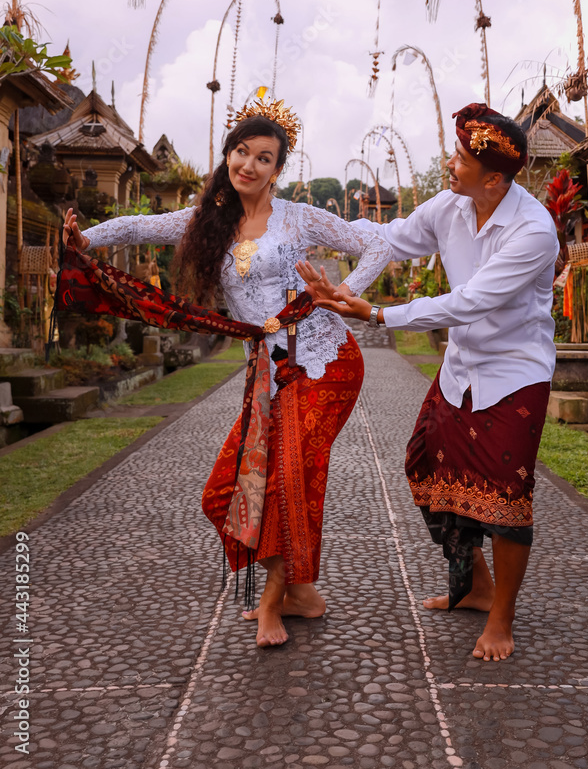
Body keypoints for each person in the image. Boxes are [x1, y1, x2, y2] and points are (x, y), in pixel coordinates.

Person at [63, 88, 392, 649]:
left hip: (325, 364)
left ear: (277, 170)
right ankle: (302, 591)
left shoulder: (298, 219)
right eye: (242, 152)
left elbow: (376, 245)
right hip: (267, 373)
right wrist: (83, 238)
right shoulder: (208, 221)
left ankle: (273, 603)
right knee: (225, 488)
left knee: (289, 478)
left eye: (264, 158)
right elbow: (137, 227)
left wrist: (340, 296)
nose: (249, 165)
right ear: (229, 154)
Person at [306, 102, 559, 662]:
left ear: (493, 179)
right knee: (424, 464)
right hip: (461, 369)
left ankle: (501, 618)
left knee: (507, 501)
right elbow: (388, 237)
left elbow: (470, 302)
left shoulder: (534, 231)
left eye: (461, 158)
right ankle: (475, 586)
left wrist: (377, 314)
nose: (450, 164)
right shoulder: (451, 205)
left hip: (514, 375)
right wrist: (306, 224)